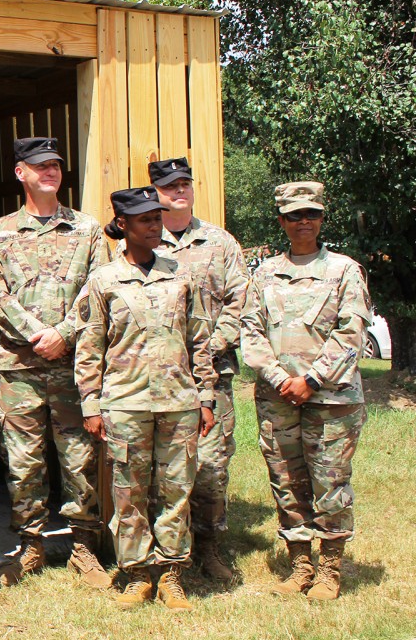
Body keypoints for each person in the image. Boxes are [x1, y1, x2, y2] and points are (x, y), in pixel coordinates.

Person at [75, 188, 216, 611]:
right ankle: (137, 574)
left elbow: (200, 339)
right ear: (123, 225)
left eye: (158, 218)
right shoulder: (103, 280)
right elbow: (89, 345)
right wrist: (91, 403)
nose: (155, 226)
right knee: (128, 493)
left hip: (178, 402)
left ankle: (172, 575)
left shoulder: (180, 275)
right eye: (145, 220)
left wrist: (205, 395)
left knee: (176, 491)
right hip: (125, 403)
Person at [0, 136, 110, 589]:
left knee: (79, 458)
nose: (50, 171)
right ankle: (30, 545)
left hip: (74, 366)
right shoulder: (0, 232)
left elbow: (98, 290)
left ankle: (83, 547)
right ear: (22, 173)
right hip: (20, 367)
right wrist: (36, 333)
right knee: (23, 460)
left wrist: (64, 334)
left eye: (55, 164)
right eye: (40, 166)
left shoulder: (87, 229)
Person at [241, 182, 370, 601]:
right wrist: (281, 380)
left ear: (321, 220)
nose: (303, 222)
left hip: (332, 399)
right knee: (287, 480)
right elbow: (251, 331)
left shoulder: (344, 270)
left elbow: (351, 332)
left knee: (330, 482)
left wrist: (311, 380)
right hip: (279, 399)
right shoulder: (262, 273)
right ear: (281, 221)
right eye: (294, 215)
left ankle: (330, 569)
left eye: (311, 214)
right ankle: (300, 565)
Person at [150, 157, 249, 582]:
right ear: (155, 192)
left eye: (186, 183)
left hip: (214, 377)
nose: (180, 191)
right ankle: (166, 555)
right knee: (161, 468)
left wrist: (209, 349)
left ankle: (209, 548)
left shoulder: (220, 242)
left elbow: (241, 300)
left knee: (210, 467)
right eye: (170, 185)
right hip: (157, 377)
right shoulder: (140, 241)